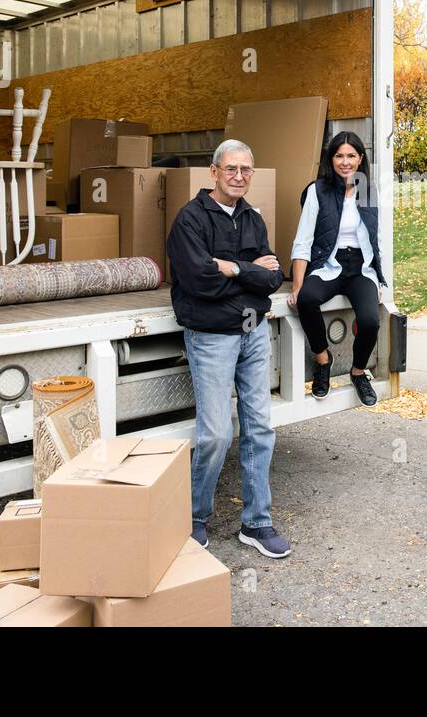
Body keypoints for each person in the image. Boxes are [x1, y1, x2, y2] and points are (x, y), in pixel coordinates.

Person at [166, 139, 290, 559]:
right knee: (216, 433)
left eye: (246, 170)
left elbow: (274, 278)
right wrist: (250, 272)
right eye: (231, 169)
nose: (239, 176)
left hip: (253, 329)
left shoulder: (253, 219)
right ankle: (194, 517)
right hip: (211, 335)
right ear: (213, 173)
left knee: (260, 429)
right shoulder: (190, 220)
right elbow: (199, 279)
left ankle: (257, 523)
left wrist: (234, 267)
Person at [289, 131, 385, 406]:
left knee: (369, 321)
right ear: (330, 159)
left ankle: (357, 372)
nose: (345, 162)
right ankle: (323, 360)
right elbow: (303, 240)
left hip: (360, 268)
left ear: (360, 159)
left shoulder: (368, 189)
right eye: (339, 156)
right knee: (306, 299)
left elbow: (375, 237)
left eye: (351, 156)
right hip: (328, 264)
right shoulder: (316, 191)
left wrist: (378, 278)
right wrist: (297, 286)